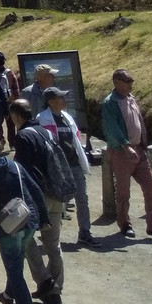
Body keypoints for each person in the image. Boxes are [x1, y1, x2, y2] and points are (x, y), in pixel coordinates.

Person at [10, 99, 76, 304]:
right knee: (53, 244)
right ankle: (56, 287)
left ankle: (45, 281)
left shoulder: (23, 136)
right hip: (57, 192)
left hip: (37, 196)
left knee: (26, 240)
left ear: (17, 117)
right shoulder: (47, 132)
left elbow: (23, 171)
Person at [0, 129, 49, 304]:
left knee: (14, 269)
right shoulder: (15, 165)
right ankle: (7, 296)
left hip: (9, 226)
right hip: (29, 219)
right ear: (0, 146)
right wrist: (44, 217)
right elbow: (35, 189)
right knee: (16, 261)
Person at [102, 68, 152, 239]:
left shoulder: (131, 98)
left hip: (139, 150)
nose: (130, 86)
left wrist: (142, 143)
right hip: (121, 151)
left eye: (131, 82)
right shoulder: (110, 103)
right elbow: (111, 128)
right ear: (116, 82)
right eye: (127, 82)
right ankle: (124, 224)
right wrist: (126, 146)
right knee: (123, 192)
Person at [38, 86, 97, 247]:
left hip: (74, 164)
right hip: (56, 168)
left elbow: (76, 139)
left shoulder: (67, 117)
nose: (64, 100)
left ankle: (85, 232)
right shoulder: (42, 119)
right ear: (50, 102)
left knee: (82, 198)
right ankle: (50, 234)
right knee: (55, 201)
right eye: (60, 97)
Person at [0, 51, 21, 145]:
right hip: (9, 100)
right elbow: (15, 88)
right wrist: (16, 100)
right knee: (11, 123)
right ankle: (12, 143)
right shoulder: (10, 73)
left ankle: (0, 138)